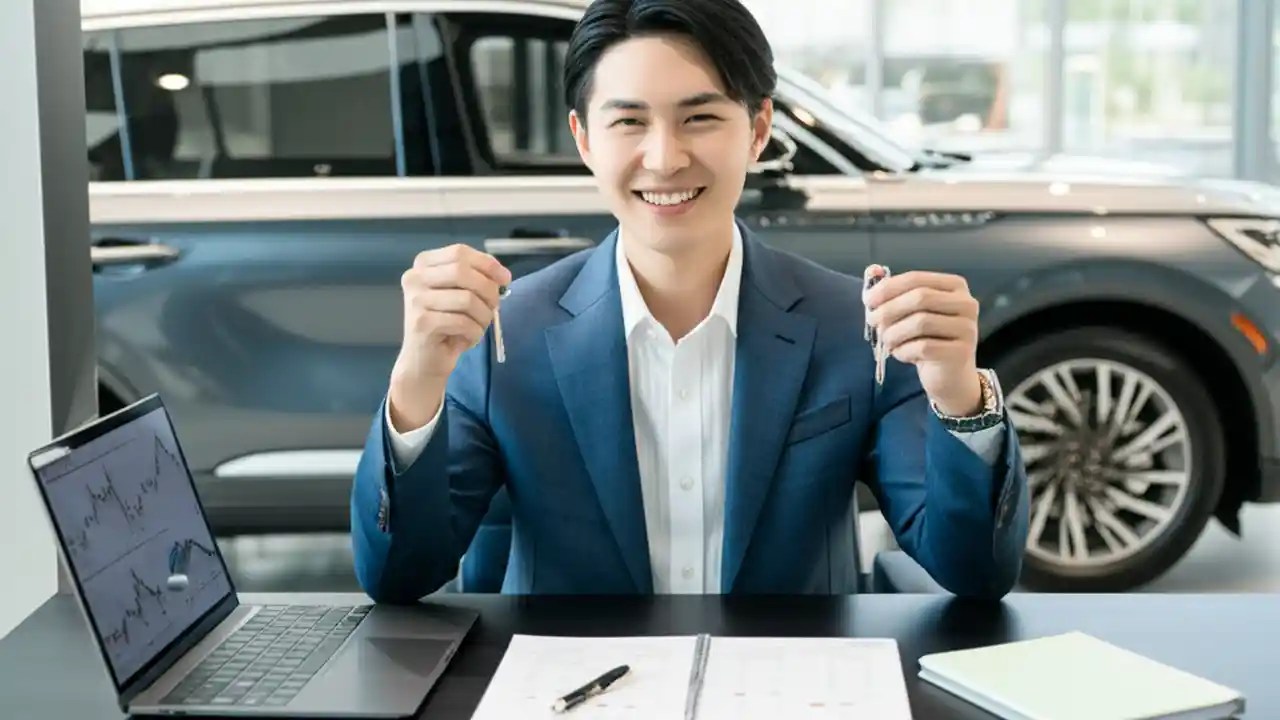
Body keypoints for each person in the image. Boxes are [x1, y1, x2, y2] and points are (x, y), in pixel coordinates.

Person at [351, 0, 1029, 601]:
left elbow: (974, 572)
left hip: (789, 686)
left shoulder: (852, 326)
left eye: (699, 118)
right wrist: (417, 379)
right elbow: (398, 576)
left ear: (758, 129)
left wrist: (958, 398)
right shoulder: (507, 334)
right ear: (585, 140)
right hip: (569, 689)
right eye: (629, 123)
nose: (665, 157)